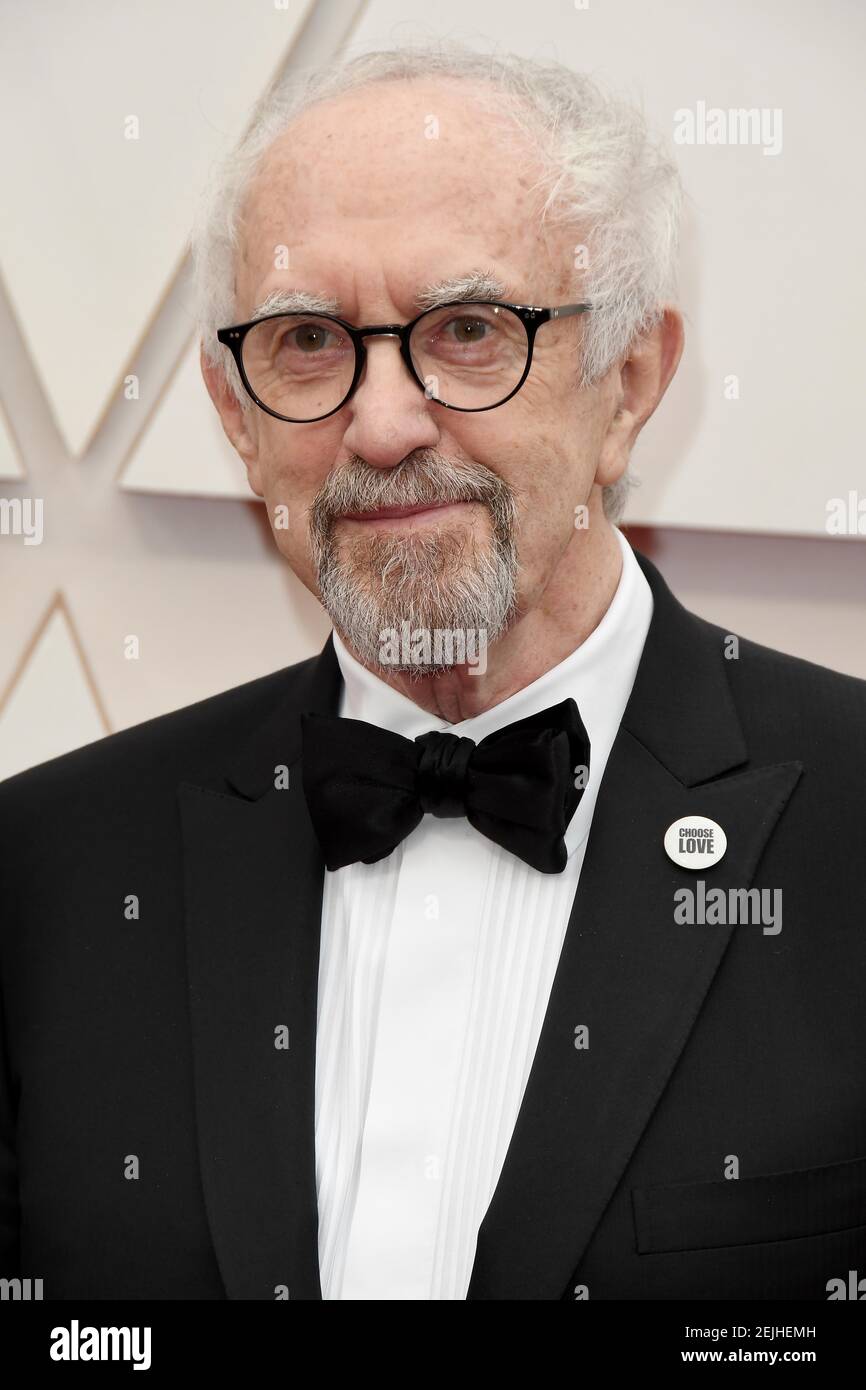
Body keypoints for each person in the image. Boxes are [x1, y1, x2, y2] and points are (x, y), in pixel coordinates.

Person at [1, 44, 864, 1302]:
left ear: (627, 380)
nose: (384, 423)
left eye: (467, 331)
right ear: (235, 417)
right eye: (306, 341)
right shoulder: (45, 869)